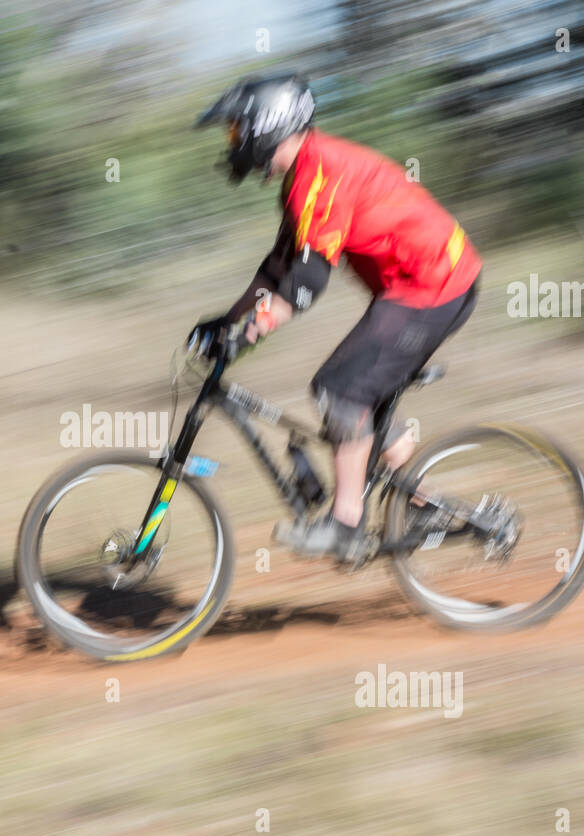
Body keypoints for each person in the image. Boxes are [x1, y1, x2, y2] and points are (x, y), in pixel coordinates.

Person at [189, 73, 482, 564]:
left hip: (434, 285)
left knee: (340, 389)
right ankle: (422, 500)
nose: (233, 141)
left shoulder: (321, 171)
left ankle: (345, 525)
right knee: (358, 393)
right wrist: (229, 319)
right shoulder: (302, 177)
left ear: (270, 124)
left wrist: (253, 333)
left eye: (237, 130)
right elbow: (279, 266)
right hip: (412, 289)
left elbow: (305, 283)